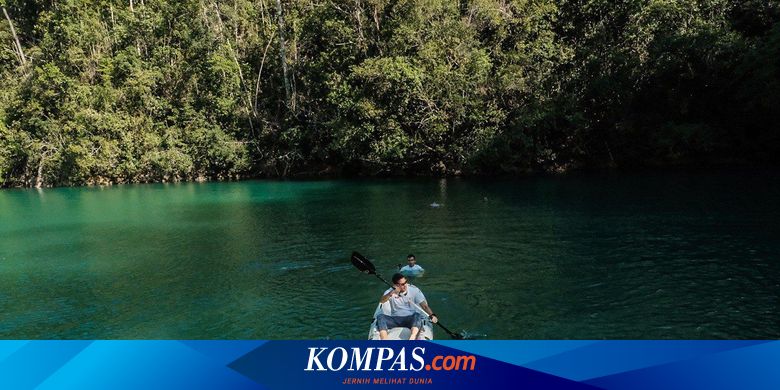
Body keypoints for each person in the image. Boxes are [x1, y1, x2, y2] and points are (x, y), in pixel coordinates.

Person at [376, 273, 438, 340]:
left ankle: (412, 338)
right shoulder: (389, 291)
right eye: (402, 284)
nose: (405, 285)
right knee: (380, 317)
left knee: (417, 315)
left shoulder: (413, 290)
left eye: (405, 282)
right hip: (395, 319)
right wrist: (391, 293)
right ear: (396, 285)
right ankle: (384, 340)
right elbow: (382, 301)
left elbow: (424, 306)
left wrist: (432, 315)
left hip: (410, 319)